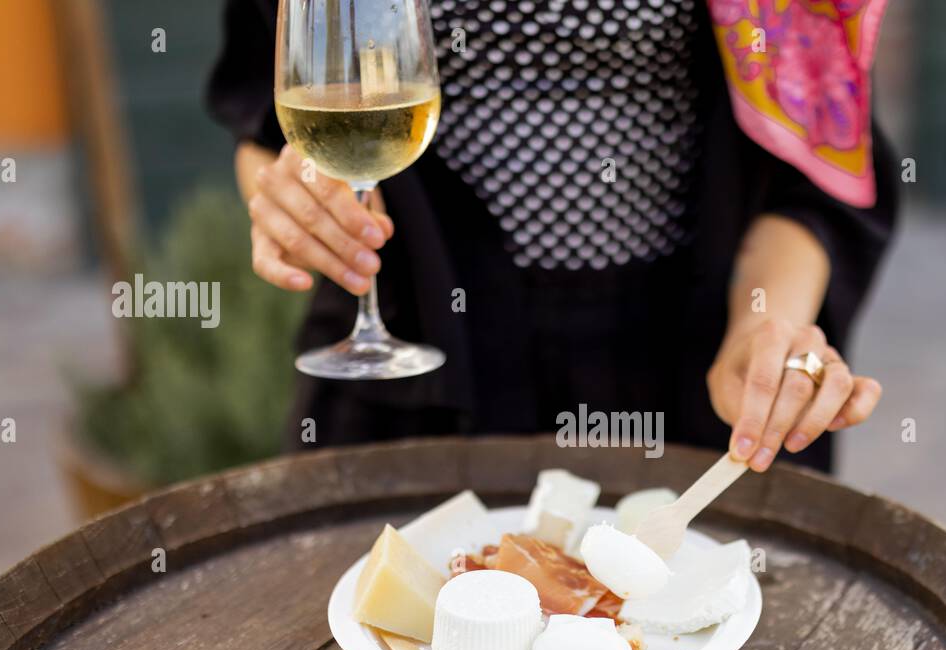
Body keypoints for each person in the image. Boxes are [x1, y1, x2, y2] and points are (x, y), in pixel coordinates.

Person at [207, 0, 897, 473]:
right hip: (415, 357)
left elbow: (818, 159)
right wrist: (293, 198)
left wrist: (761, 330)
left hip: (685, 365)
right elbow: (266, 113)